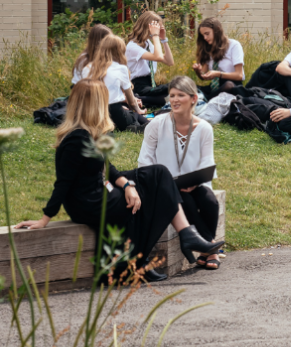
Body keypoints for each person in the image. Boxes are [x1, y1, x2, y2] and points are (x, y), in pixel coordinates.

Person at [14, 79, 224, 282]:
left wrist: (127, 185)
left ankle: (178, 239)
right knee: (152, 190)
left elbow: (107, 167)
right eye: (104, 101)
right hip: (89, 202)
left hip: (97, 190)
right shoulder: (77, 138)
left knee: (158, 174)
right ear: (94, 105)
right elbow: (63, 183)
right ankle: (148, 255)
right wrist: (45, 219)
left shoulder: (88, 133)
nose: (109, 106)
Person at [138, 75, 221, 271]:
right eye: (172, 95)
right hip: (165, 185)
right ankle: (211, 249)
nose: (174, 100)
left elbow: (207, 162)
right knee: (187, 202)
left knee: (209, 199)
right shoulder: (157, 124)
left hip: (193, 182)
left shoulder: (204, 129)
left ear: (193, 99)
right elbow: (144, 160)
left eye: (180, 95)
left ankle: (206, 248)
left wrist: (198, 182)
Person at [83, 34, 146, 131]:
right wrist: (138, 110)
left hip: (93, 111)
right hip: (114, 111)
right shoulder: (120, 68)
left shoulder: (87, 68)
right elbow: (132, 101)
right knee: (135, 116)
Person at [125, 11, 174, 106]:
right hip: (138, 85)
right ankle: (135, 98)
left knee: (174, 90)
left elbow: (169, 62)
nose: (157, 30)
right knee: (171, 89)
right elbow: (158, 57)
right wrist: (155, 36)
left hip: (150, 84)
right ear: (148, 27)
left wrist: (163, 39)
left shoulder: (148, 43)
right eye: (156, 28)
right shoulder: (132, 46)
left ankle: (141, 100)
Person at [192, 18, 245, 99]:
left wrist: (218, 74)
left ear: (217, 30)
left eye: (207, 34)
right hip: (214, 88)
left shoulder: (234, 45)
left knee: (228, 85)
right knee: (187, 87)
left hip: (232, 86)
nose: (205, 38)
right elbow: (203, 76)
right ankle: (206, 98)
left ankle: (206, 99)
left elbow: (239, 75)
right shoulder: (208, 49)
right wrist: (198, 71)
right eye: (203, 35)